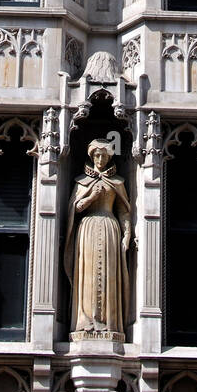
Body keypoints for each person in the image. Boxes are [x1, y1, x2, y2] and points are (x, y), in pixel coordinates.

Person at [64, 137, 131, 340]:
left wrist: (127, 234)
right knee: (87, 275)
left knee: (109, 275)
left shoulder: (117, 182)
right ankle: (85, 323)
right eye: (97, 155)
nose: (101, 159)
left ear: (109, 157)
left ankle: (109, 324)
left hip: (110, 228)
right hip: (87, 231)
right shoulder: (81, 181)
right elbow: (74, 209)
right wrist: (92, 197)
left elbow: (123, 211)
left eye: (104, 155)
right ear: (92, 156)